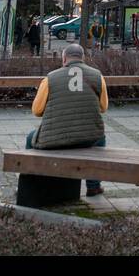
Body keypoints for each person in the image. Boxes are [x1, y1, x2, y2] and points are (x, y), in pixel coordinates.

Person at [26, 43, 108, 197]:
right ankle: (93, 185)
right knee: (101, 139)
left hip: (54, 139)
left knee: (30, 138)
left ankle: (30, 182)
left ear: (64, 58)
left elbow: (36, 111)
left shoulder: (50, 78)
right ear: (83, 58)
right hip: (89, 138)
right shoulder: (98, 76)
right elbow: (103, 107)